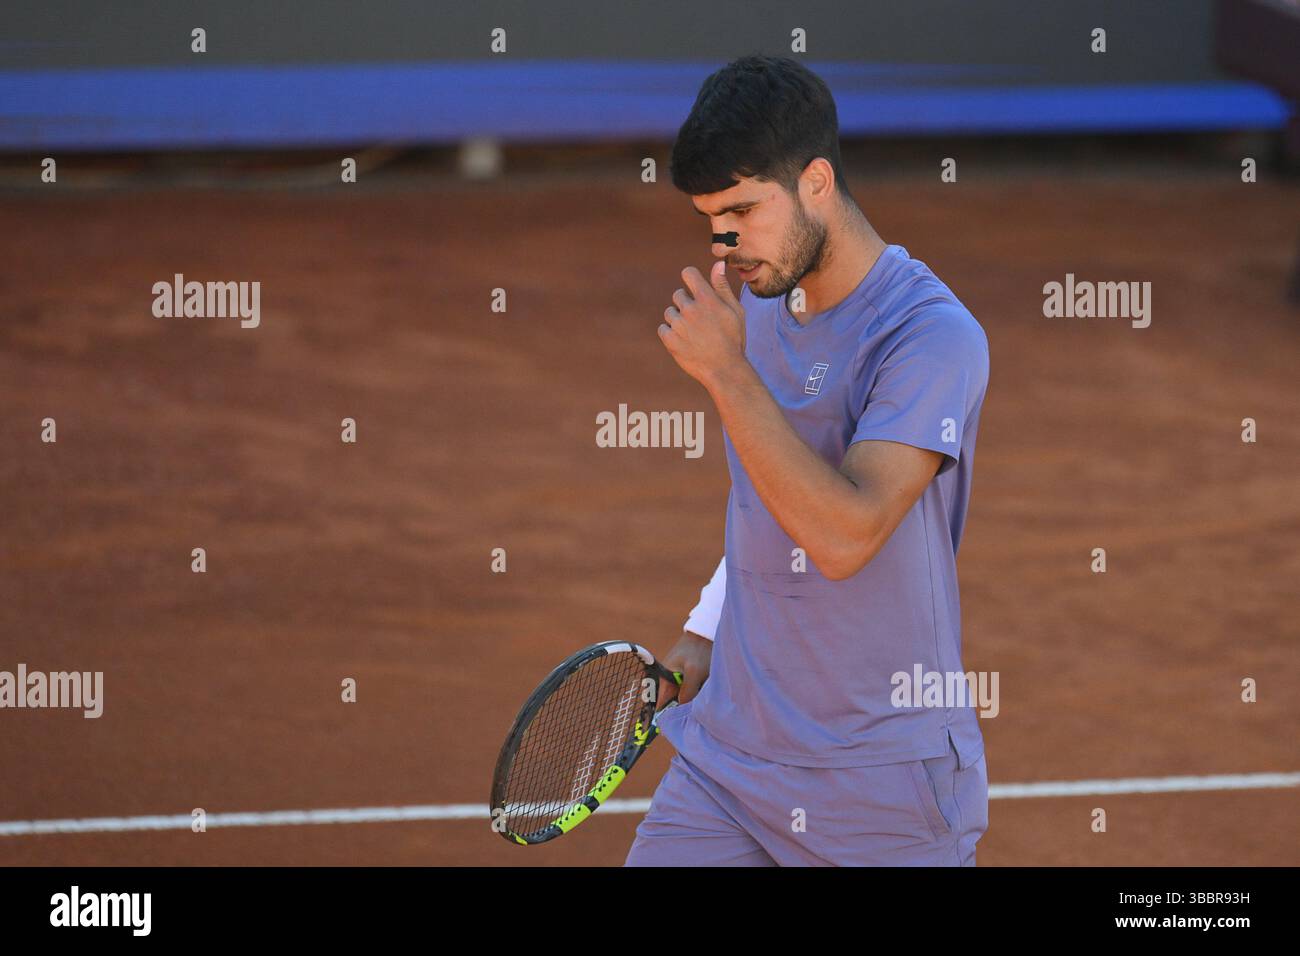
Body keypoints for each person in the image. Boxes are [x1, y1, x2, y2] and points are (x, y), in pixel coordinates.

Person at [627, 54, 990, 866]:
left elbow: (846, 534)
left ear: (817, 181)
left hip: (881, 780)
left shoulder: (930, 336)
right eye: (709, 217)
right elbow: (767, 495)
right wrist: (706, 626)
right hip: (731, 756)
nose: (725, 242)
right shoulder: (758, 307)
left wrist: (726, 374)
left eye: (744, 211)